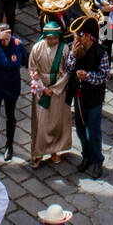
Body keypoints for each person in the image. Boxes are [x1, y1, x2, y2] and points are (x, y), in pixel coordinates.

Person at [65, 18, 110, 178]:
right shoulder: (75, 48)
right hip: (79, 97)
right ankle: (87, 156)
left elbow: (104, 76)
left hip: (94, 99)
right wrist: (73, 55)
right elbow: (68, 68)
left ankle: (98, 160)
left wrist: (88, 76)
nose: (78, 37)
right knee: (81, 129)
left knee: (94, 131)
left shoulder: (101, 52)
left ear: (90, 36)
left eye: (81, 34)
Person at [27, 21, 72, 168]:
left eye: (55, 38)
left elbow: (67, 72)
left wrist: (55, 88)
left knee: (57, 120)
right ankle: (38, 153)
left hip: (58, 88)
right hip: (42, 89)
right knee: (40, 122)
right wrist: (42, 87)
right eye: (49, 38)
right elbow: (32, 70)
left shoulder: (64, 49)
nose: (52, 41)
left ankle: (55, 149)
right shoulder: (37, 48)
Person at [0, 23, 27, 166]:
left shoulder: (16, 44)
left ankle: (9, 145)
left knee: (11, 116)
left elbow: (27, 60)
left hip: (11, 87)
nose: (5, 42)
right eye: (3, 39)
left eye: (7, 38)